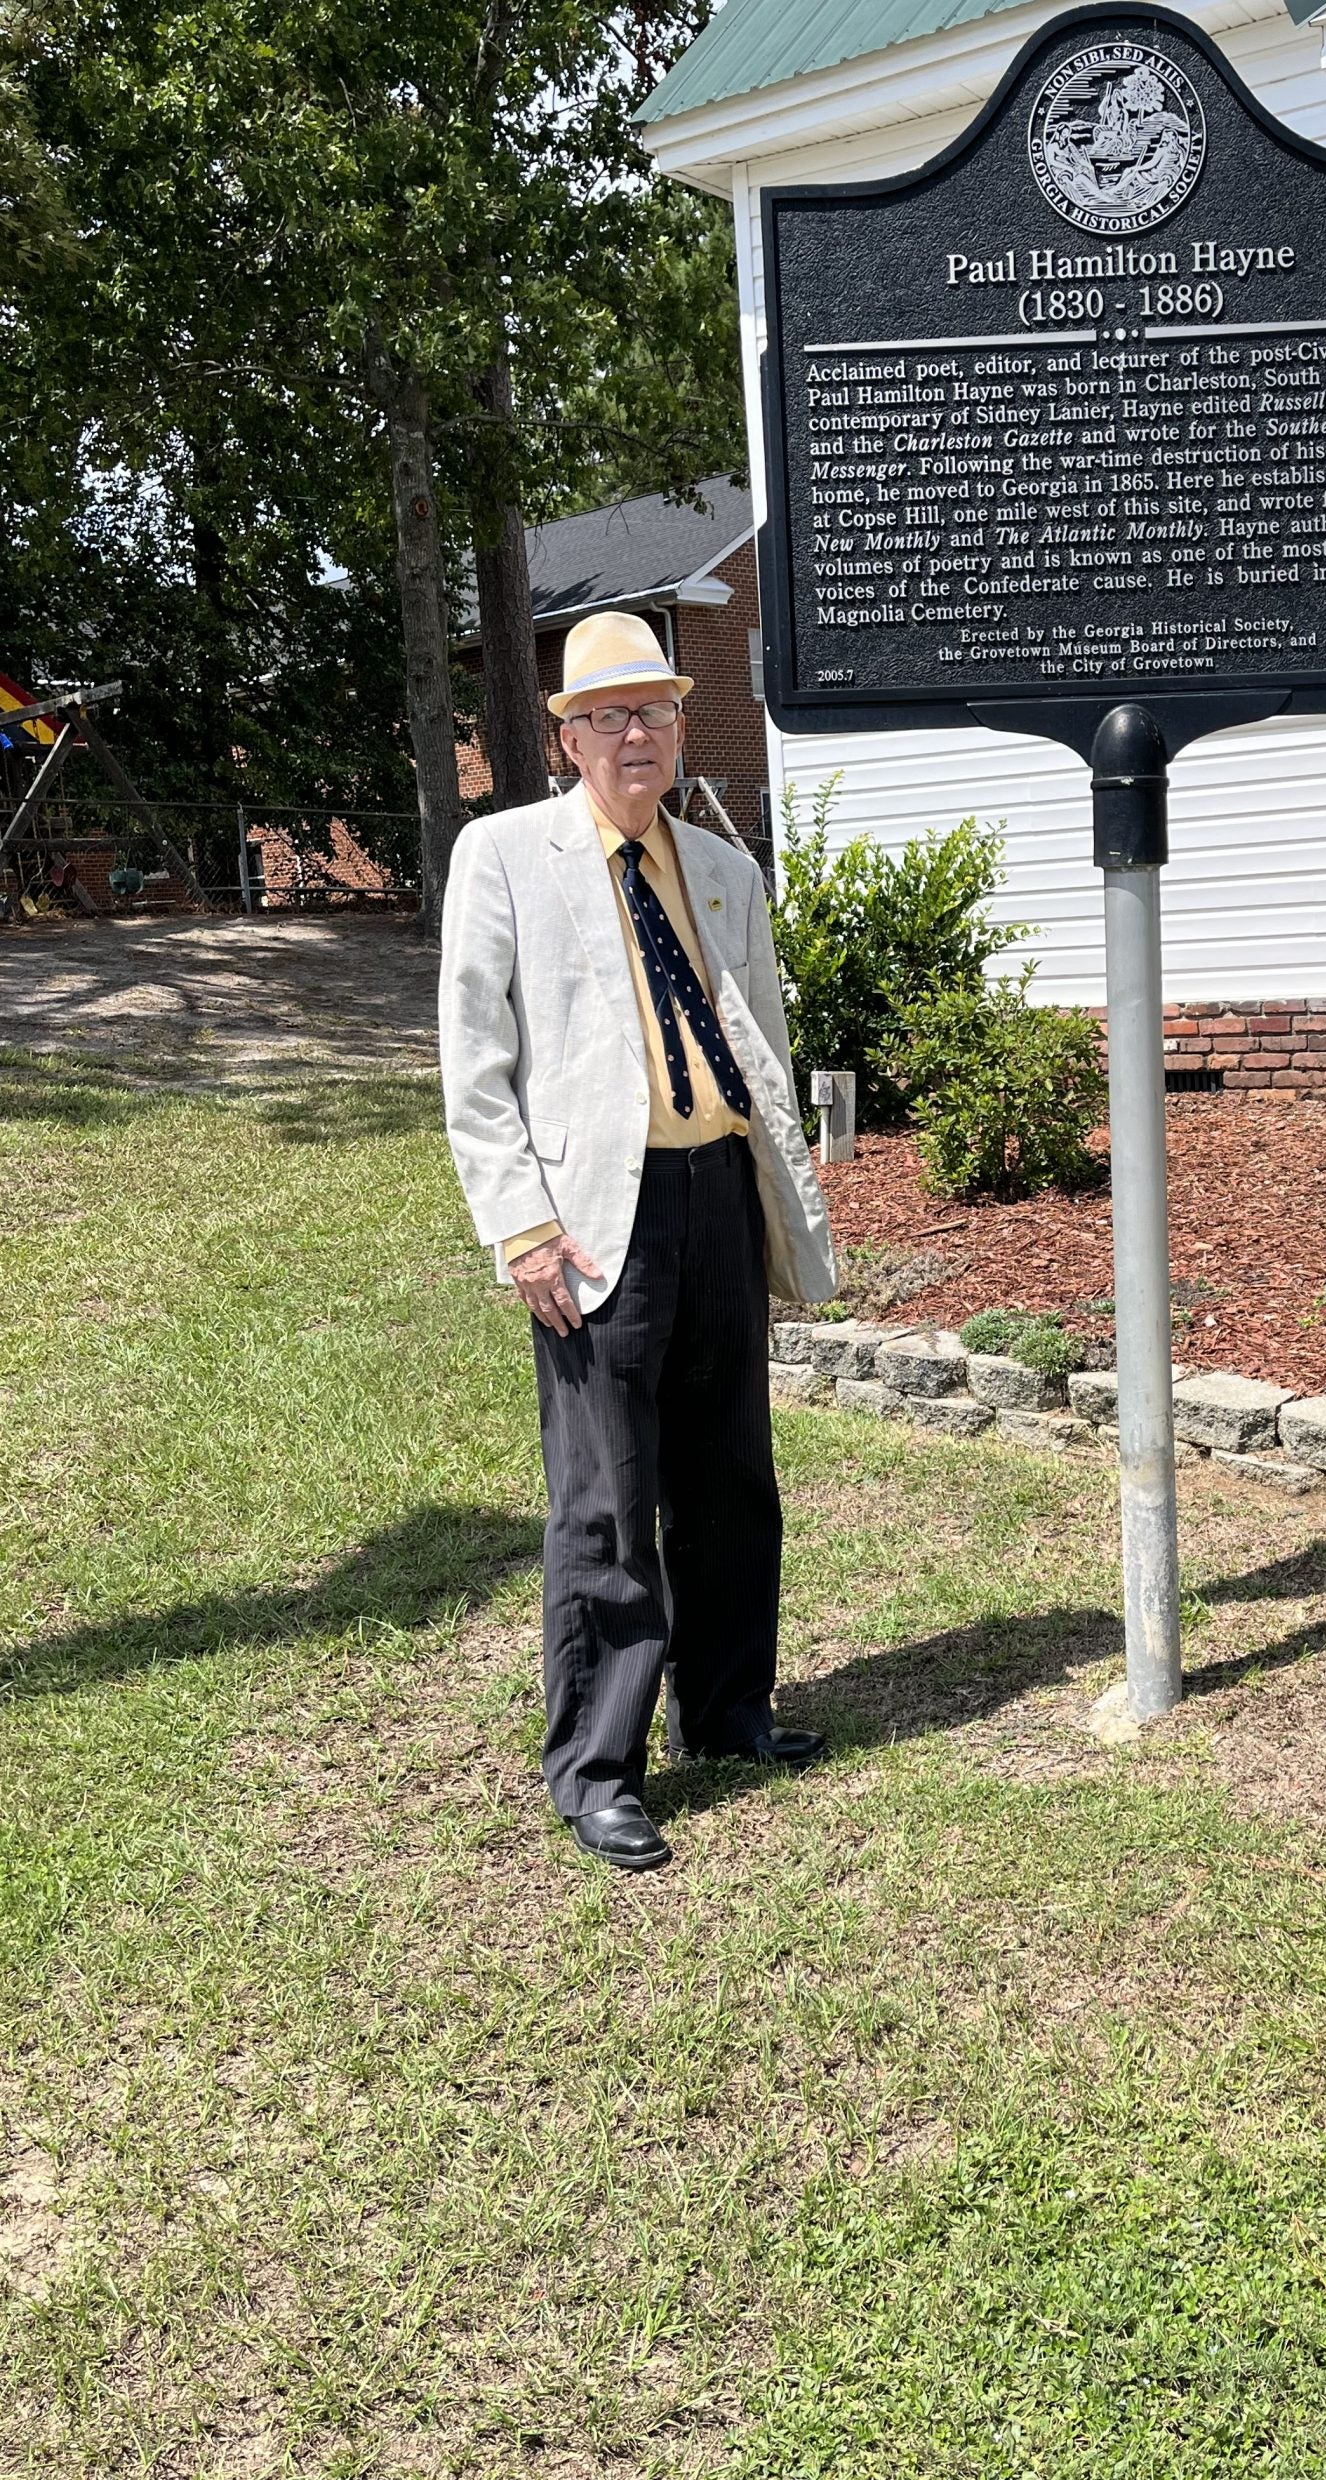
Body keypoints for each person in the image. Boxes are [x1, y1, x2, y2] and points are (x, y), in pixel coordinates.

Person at [438, 610, 836, 1876]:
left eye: (653, 710)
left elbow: (759, 1042)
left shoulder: (725, 869)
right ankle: (599, 1765)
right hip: (592, 1222)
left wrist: (782, 1193)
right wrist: (523, 1229)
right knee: (606, 1501)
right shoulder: (503, 859)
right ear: (564, 737)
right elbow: (475, 1069)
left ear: (678, 723)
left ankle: (727, 1713)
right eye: (606, 714)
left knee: (730, 1477)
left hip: (715, 1190)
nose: (634, 733)